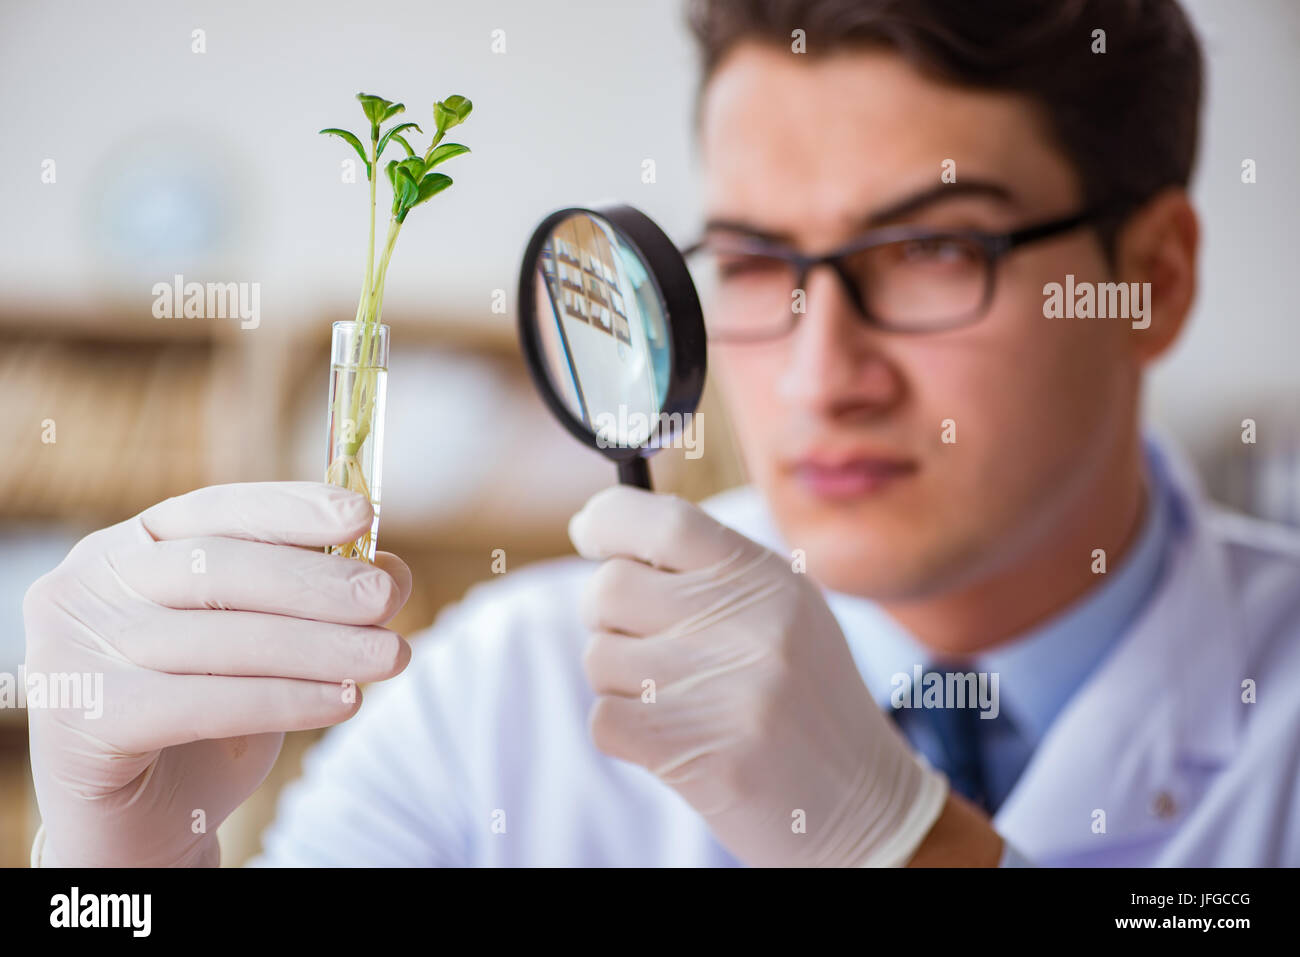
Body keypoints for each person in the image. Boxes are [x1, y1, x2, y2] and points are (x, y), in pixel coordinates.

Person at [24, 0, 1300, 867]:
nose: (819, 370)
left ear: (1153, 277)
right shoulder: (497, 698)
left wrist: (893, 839)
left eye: (927, 251)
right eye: (751, 260)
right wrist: (112, 871)